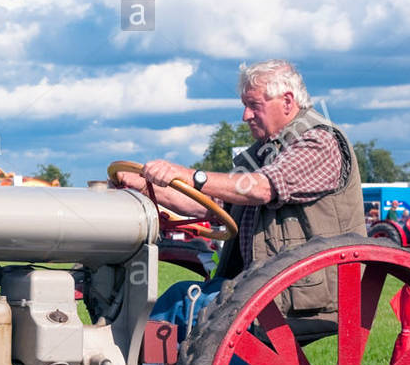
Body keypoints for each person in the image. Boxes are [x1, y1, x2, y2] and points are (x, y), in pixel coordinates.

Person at [112, 58, 365, 347]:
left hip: (302, 292)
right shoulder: (264, 151)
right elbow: (211, 203)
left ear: (287, 101)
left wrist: (187, 174)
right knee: (176, 297)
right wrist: (146, 187)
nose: (245, 115)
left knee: (189, 308)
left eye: (254, 105)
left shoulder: (319, 142)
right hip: (263, 284)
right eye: (245, 105)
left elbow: (262, 188)